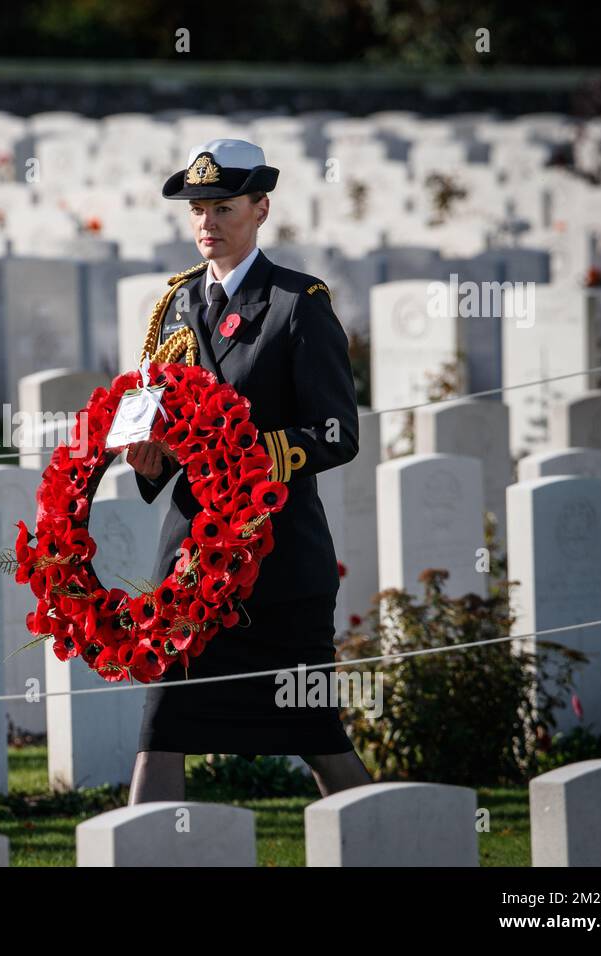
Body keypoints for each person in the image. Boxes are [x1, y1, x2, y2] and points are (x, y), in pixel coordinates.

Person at [124, 138, 373, 801]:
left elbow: (335, 432)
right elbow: (161, 420)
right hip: (193, 563)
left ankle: (390, 843)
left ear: (261, 209)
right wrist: (150, 460)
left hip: (279, 561)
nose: (207, 223)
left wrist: (234, 450)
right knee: (161, 730)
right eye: (196, 210)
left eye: (223, 208)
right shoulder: (175, 305)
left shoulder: (296, 303)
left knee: (319, 739)